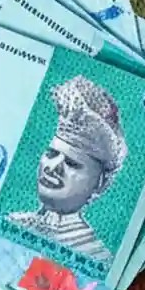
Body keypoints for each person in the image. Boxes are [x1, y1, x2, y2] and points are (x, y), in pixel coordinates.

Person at [7, 75, 128, 262]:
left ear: (100, 183)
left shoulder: (96, 256)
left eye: (72, 163)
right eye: (51, 154)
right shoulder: (13, 222)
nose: (52, 168)